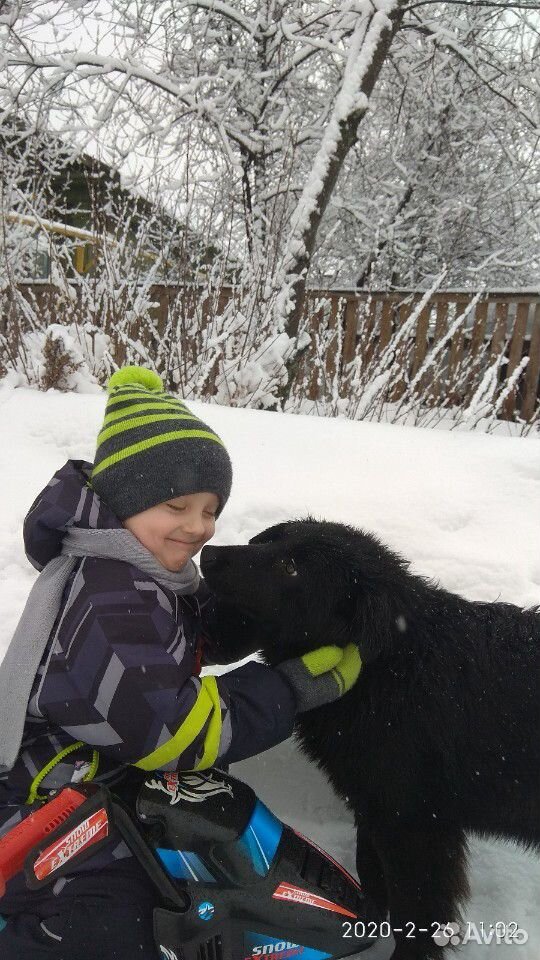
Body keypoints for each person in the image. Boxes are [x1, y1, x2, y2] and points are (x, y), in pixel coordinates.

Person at [0, 365, 361, 958]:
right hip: (50, 806)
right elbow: (174, 732)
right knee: (114, 926)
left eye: (210, 509)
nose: (198, 528)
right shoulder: (110, 598)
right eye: (176, 506)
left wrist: (265, 620)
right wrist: (286, 690)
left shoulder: (129, 571)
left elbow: (174, 640)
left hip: (98, 774)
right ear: (124, 500)